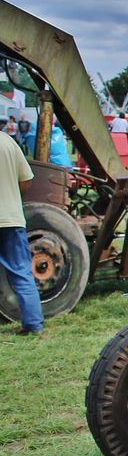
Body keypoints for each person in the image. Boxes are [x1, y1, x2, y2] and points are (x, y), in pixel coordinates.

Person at [0, 131, 44, 335]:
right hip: (11, 218)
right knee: (21, 273)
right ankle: (34, 325)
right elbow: (26, 179)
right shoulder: (8, 142)